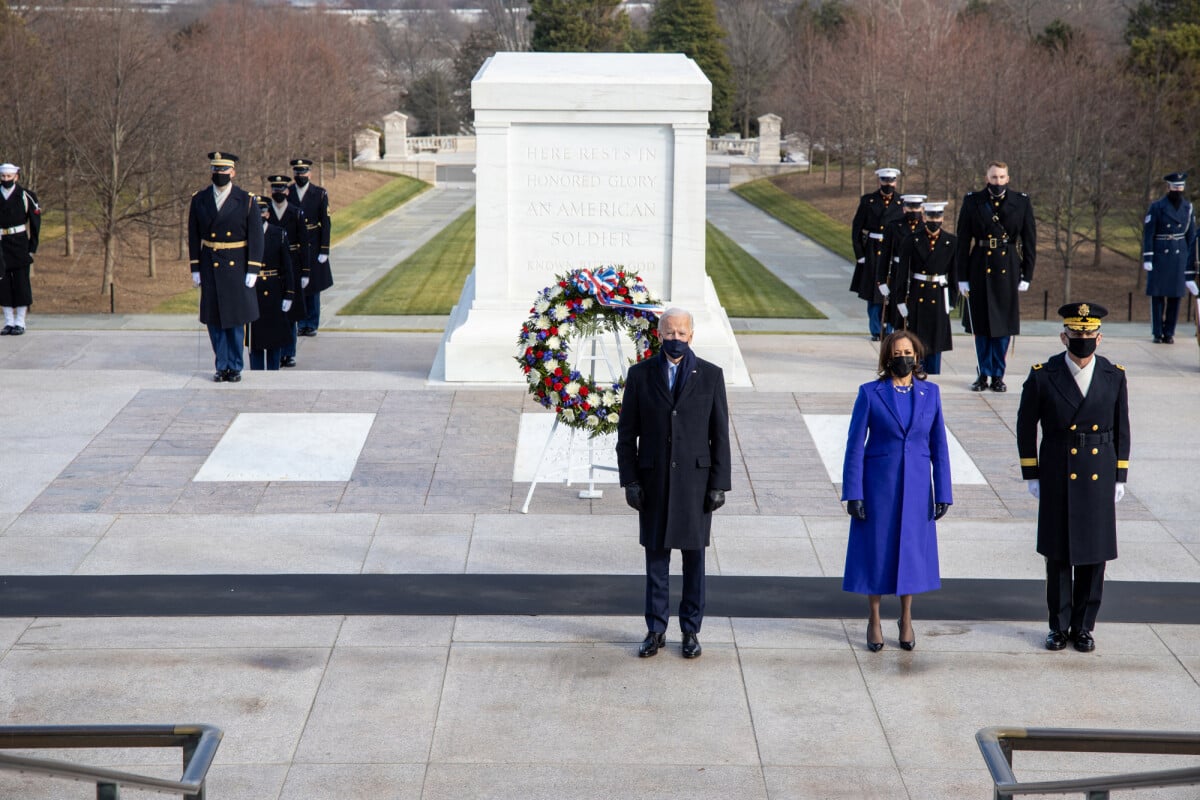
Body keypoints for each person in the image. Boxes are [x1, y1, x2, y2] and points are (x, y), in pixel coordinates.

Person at [616, 307, 731, 659]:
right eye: (669, 333)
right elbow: (626, 434)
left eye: (681, 333)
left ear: (691, 336)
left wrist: (719, 484)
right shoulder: (640, 374)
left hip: (695, 486)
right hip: (654, 483)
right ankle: (656, 629)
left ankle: (691, 630)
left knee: (694, 561)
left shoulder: (711, 375)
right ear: (659, 335)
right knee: (656, 560)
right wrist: (630, 479)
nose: (675, 339)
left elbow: (719, 435)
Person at [1017, 303, 1130, 653]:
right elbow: (1025, 426)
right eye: (1076, 333)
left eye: (1089, 333)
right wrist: (1031, 472)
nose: (1083, 339)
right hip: (1058, 469)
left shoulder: (1113, 375)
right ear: (1064, 336)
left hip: (1099, 470)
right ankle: (1058, 625)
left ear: (1099, 337)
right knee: (1059, 554)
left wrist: (1120, 475)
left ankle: (1083, 626)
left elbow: (1122, 427)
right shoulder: (1043, 375)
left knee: (1094, 555)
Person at [842, 330, 951, 652]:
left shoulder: (931, 393)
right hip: (879, 486)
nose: (903, 358)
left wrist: (943, 492)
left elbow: (939, 446)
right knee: (876, 551)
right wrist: (853, 492)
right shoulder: (870, 393)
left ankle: (906, 617)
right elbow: (854, 446)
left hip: (917, 487)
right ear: (888, 358)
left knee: (911, 552)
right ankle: (874, 618)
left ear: (917, 357)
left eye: (908, 353)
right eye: (897, 353)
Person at [956, 161, 1036, 393]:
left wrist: (1027, 274)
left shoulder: (1021, 202)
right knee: (981, 327)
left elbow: (1029, 241)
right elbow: (963, 241)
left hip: (1008, 267)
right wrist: (961, 276)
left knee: (1003, 328)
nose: (997, 181)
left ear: (1007, 178)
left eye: (1001, 177)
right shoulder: (973, 201)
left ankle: (998, 375)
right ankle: (983, 374)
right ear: (987, 178)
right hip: (979, 266)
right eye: (993, 177)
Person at [187, 151, 264, 383]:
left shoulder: (246, 200)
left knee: (235, 320)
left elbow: (256, 237)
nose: (219, 173)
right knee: (215, 320)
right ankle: (221, 366)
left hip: (237, 266)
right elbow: (193, 235)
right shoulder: (200, 199)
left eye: (223, 169)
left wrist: (253, 269)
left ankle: (235, 366)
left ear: (233, 172)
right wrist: (195, 267)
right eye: (215, 169)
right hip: (210, 264)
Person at [891, 201, 959, 374]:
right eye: (930, 217)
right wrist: (900, 300)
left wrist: (952, 299)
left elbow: (955, 274)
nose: (933, 220)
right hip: (917, 293)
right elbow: (902, 273)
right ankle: (915, 372)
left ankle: (934, 374)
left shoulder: (951, 241)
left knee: (936, 341)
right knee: (916, 339)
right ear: (924, 217)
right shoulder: (911, 240)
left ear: (942, 219)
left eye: (937, 217)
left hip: (939, 293)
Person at [1141, 172, 1198, 344]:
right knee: (1157, 296)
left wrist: (1193, 261)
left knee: (1175, 297)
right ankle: (1157, 332)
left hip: (1180, 256)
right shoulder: (1157, 207)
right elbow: (1149, 233)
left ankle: (1169, 332)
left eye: (1180, 187)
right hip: (1160, 254)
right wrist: (1148, 257)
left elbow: (1191, 236)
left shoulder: (1188, 208)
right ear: (1168, 187)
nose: (1177, 190)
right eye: (1175, 187)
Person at [851, 167, 904, 341]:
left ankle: (889, 328)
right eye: (885, 180)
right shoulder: (868, 201)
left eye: (891, 181)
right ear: (879, 181)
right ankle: (876, 330)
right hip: (874, 250)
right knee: (874, 293)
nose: (888, 184)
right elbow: (857, 229)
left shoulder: (902, 202)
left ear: (896, 182)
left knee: (892, 291)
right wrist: (860, 255)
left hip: (893, 250)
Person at [246, 196, 295, 370]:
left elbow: (287, 267)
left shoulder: (278, 234)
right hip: (254, 290)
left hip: (274, 289)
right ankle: (257, 372)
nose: (259, 215)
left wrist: (289, 294)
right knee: (256, 341)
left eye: (262, 212)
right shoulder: (246, 235)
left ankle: (274, 372)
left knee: (274, 339)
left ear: (267, 214)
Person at [266, 174, 309, 367]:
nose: (278, 192)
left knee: (290, 314)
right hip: (273, 265)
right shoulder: (266, 212)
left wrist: (306, 271)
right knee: (276, 312)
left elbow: (304, 244)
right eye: (275, 189)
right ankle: (278, 350)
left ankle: (289, 352)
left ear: (287, 191)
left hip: (293, 265)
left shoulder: (296, 213)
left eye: (281, 189)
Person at [287, 158, 332, 337]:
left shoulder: (319, 193)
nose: (300, 175)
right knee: (297, 286)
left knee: (313, 287)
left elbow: (326, 223)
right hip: (295, 244)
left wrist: (324, 249)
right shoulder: (288, 192)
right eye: (297, 172)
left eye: (303, 172)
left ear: (310, 174)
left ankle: (311, 323)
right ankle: (301, 322)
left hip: (313, 244)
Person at [0, 163, 40, 336]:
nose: (6, 179)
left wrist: (32, 246)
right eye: (3, 177)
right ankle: (8, 321)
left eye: (9, 176)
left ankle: (20, 321)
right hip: (1, 243)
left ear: (16, 177)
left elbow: (35, 222)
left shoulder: (26, 195)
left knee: (21, 282)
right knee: (3, 283)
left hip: (19, 242)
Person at [877, 193, 926, 334]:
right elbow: (885, 255)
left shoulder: (926, 228)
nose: (913, 211)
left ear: (922, 209)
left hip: (918, 274)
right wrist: (881, 280)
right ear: (904, 209)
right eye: (910, 207)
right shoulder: (893, 227)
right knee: (897, 313)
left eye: (916, 208)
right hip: (898, 272)